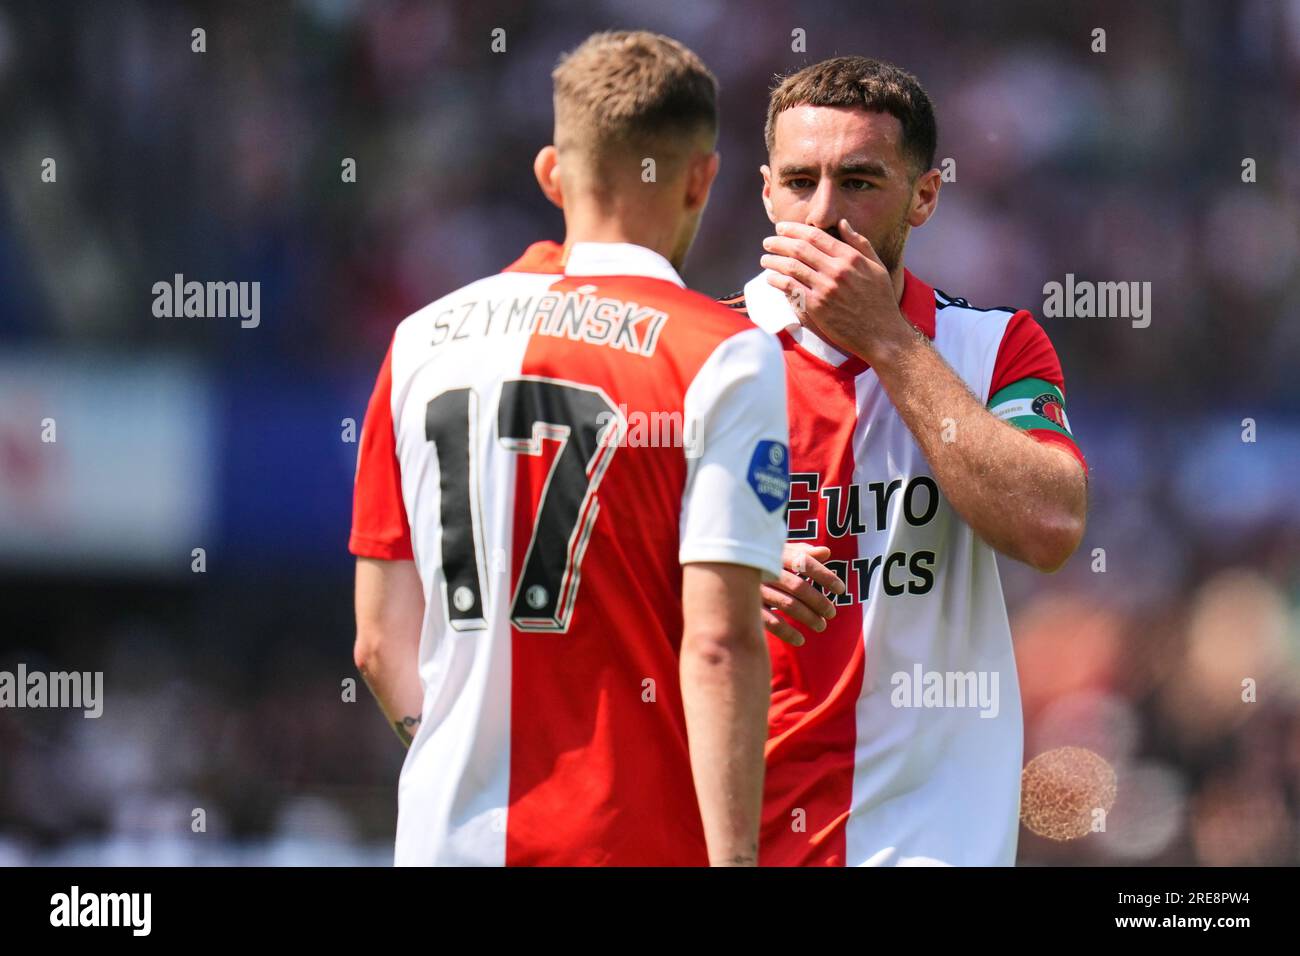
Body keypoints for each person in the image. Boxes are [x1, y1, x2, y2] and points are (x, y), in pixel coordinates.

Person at [348, 31, 790, 866]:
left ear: (553, 172)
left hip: (442, 842)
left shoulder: (417, 342)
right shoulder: (723, 353)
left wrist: (453, 755)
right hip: (627, 841)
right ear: (702, 177)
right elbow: (719, 643)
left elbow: (377, 643)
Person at [720, 56, 1088, 866]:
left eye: (859, 182)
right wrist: (730, 566)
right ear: (765, 191)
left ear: (925, 196)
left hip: (928, 841)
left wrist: (886, 341)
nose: (821, 213)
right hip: (734, 830)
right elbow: (599, 582)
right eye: (799, 181)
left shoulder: (994, 347)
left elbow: (1051, 525)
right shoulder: (698, 353)